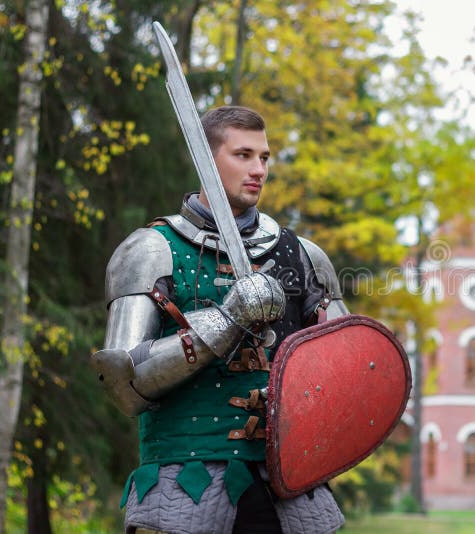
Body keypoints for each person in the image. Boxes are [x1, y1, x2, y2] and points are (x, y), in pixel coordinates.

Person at [91, 106, 348, 534]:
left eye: (264, 157)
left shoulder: (303, 255)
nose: (259, 169)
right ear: (207, 161)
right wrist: (226, 321)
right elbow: (124, 382)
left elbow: (345, 368)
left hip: (291, 486)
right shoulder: (152, 249)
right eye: (243, 155)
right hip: (183, 484)